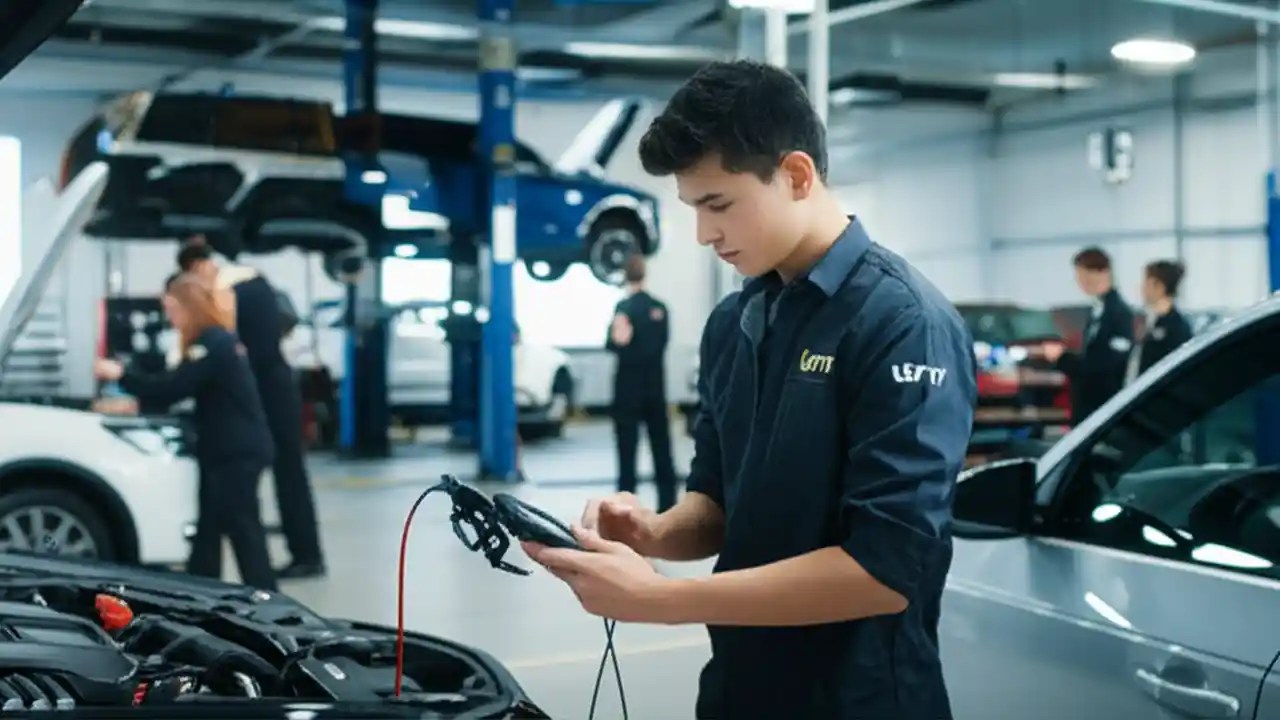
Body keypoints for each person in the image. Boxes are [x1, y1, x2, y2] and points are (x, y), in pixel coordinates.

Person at [521, 60, 977, 720]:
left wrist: (661, 599)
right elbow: (720, 506)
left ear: (795, 176)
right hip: (739, 689)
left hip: (860, 700)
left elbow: (884, 572)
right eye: (693, 208)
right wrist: (654, 533)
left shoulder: (904, 325)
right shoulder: (737, 321)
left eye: (718, 204)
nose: (704, 234)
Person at [95, 274, 278, 592]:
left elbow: (173, 387)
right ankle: (202, 593)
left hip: (235, 453)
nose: (171, 318)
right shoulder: (215, 342)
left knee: (242, 528)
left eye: (173, 309)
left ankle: (269, 602)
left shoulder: (212, 344)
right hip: (224, 449)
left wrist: (123, 375)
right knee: (209, 530)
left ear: (189, 308)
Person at [177, 239, 326, 580]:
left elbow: (238, 348)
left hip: (266, 392)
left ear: (199, 266)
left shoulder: (232, 290)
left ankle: (305, 555)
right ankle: (306, 552)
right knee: (289, 472)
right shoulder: (253, 281)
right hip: (272, 388)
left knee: (285, 473)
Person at [606, 254, 679, 512]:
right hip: (655, 390)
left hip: (627, 391)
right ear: (644, 274)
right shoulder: (661, 309)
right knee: (662, 450)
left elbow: (616, 342)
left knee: (627, 453)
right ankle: (668, 507)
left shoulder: (623, 309)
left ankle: (626, 509)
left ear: (625, 276)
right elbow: (662, 344)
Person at [1042, 247, 1135, 423]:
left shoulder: (1118, 314)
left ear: (1102, 273)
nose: (1080, 282)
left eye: (1083, 276)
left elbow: (1105, 366)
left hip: (1103, 409)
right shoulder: (1098, 311)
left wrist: (1062, 358)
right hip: (1089, 407)